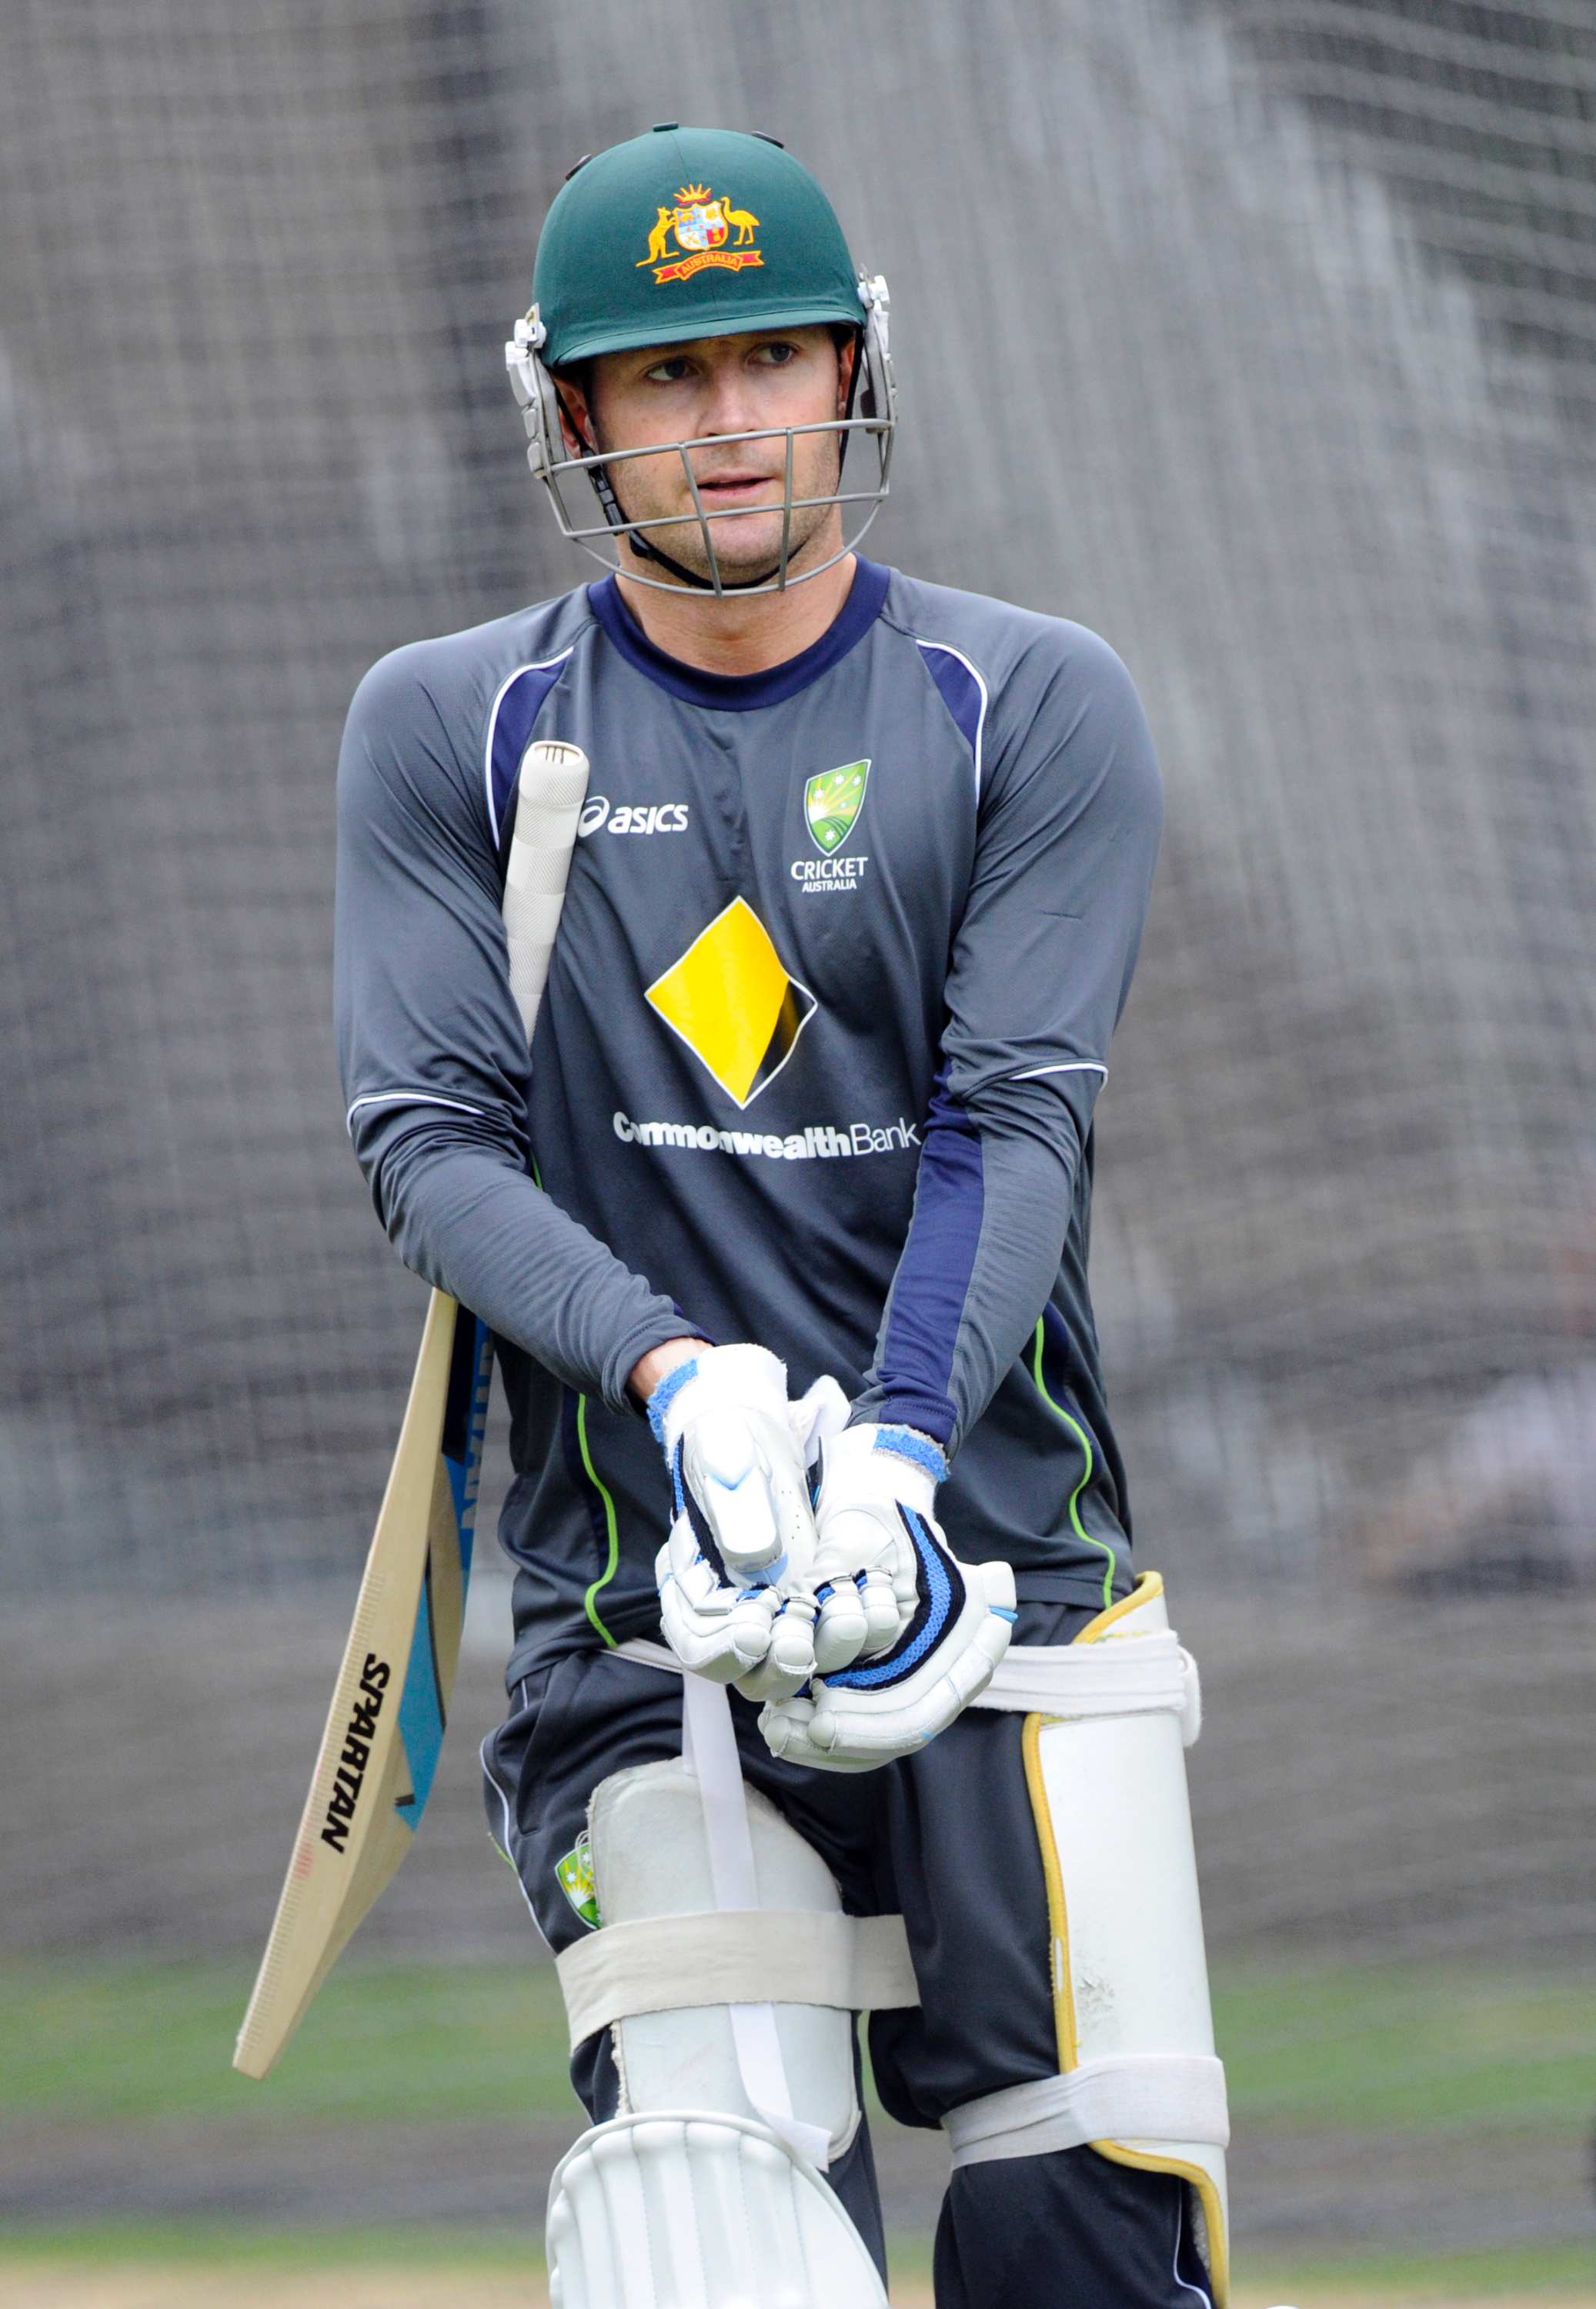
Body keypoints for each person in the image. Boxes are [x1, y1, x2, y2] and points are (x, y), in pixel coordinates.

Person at [336, 124, 1230, 2309]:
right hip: (649, 1624)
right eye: (666, 374)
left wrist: (898, 1460)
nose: (728, 420)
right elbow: (429, 1144)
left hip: (1001, 1584)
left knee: (1081, 2236)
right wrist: (683, 1379)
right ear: (573, 411)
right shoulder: (454, 730)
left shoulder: (1025, 702)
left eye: (769, 356)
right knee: (717, 2239)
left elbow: (1012, 1120)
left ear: (851, 370)